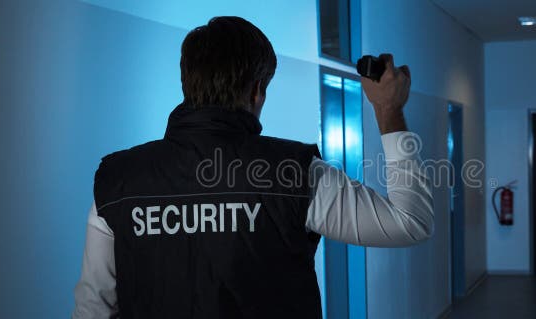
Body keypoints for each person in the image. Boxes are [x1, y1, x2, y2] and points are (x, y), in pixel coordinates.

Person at [72, 16, 433, 319]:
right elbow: (410, 222)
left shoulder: (117, 180)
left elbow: (92, 309)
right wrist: (388, 109)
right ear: (257, 90)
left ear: (187, 81)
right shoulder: (294, 173)